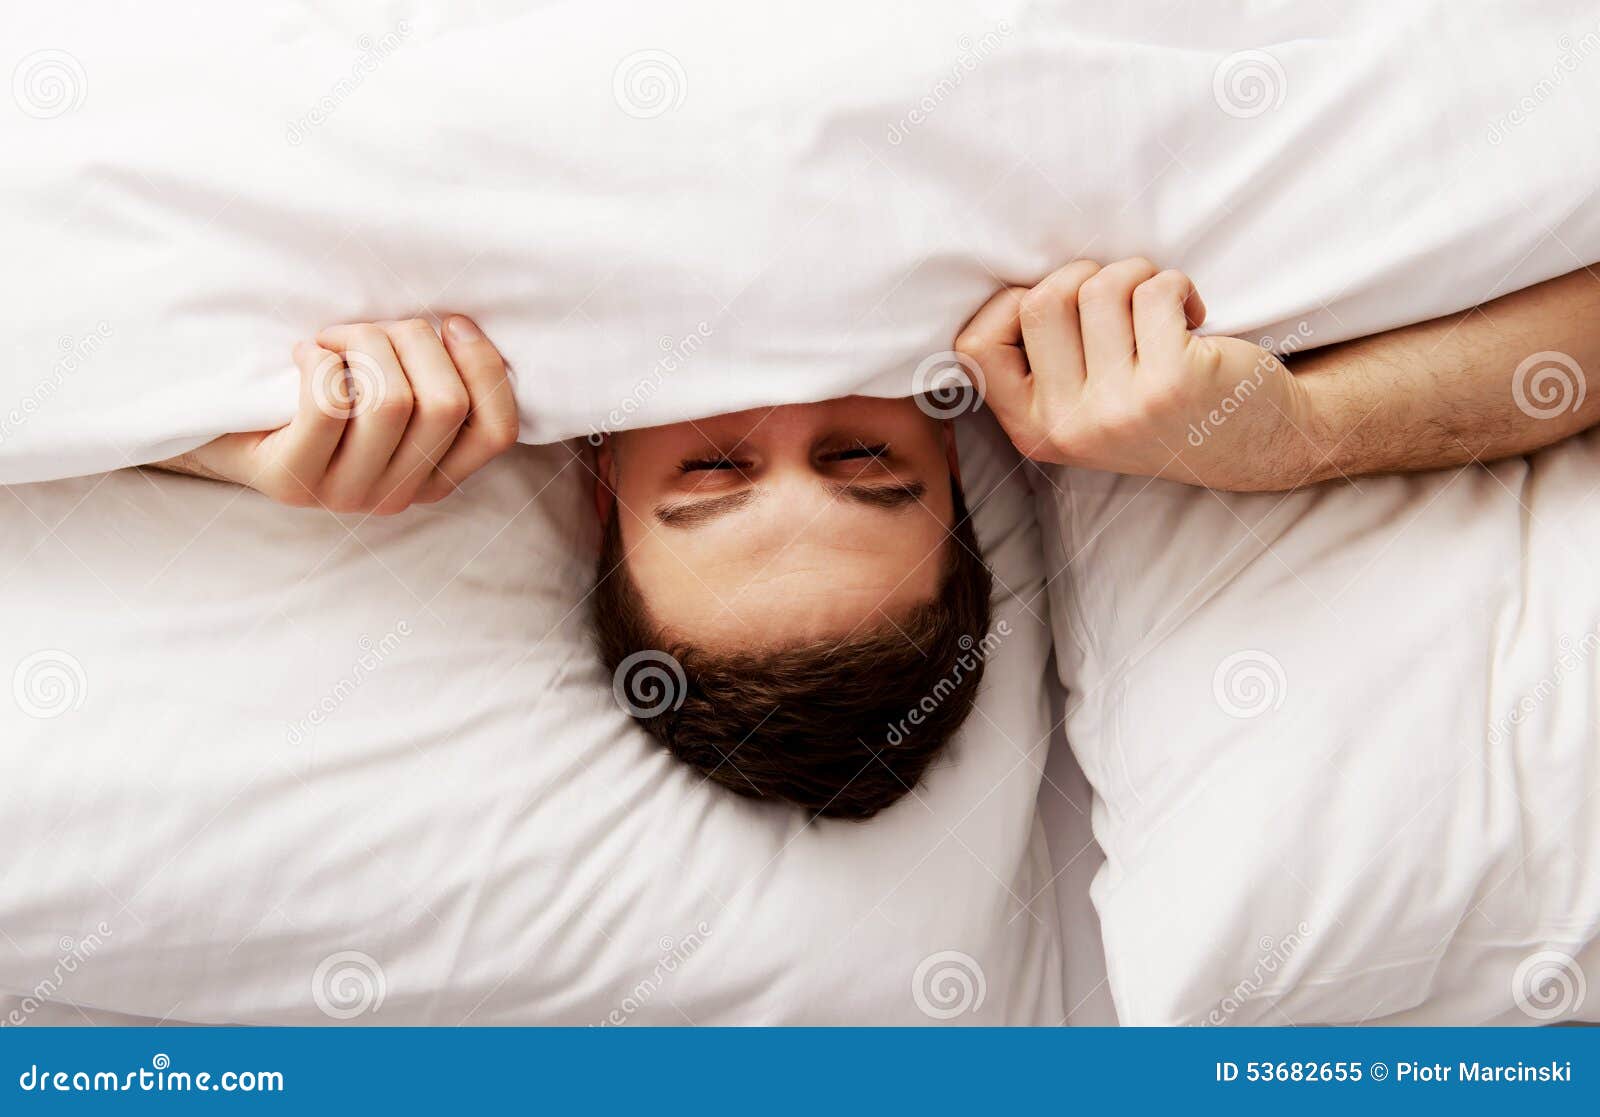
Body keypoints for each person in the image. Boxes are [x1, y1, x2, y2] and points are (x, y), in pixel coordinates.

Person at [156, 259, 1600, 817]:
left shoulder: (462, 351)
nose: (786, 404)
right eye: (865, 460)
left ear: (598, 491)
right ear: (966, 470)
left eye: (711, 473)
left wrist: (220, 439)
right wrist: (1298, 432)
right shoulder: (1104, 317)